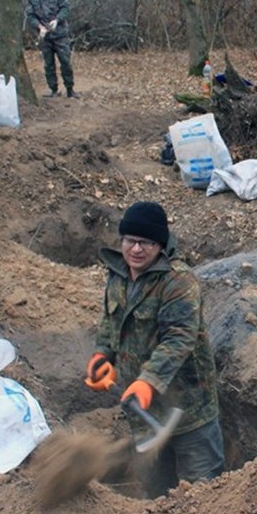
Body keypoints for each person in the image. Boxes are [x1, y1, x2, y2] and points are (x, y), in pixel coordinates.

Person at [85, 201, 224, 496]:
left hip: (188, 408)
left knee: (206, 494)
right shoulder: (119, 274)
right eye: (130, 241)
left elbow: (179, 338)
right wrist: (102, 355)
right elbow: (111, 322)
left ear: (160, 245)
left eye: (146, 242)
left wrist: (148, 382)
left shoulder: (178, 281)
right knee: (156, 494)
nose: (136, 249)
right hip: (145, 416)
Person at [25, 0, 77, 98]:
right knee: (48, 65)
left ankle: (70, 89)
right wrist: (39, 27)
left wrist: (57, 20)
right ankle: (53, 90)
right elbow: (30, 15)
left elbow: (66, 8)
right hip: (45, 37)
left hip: (60, 35)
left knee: (65, 62)